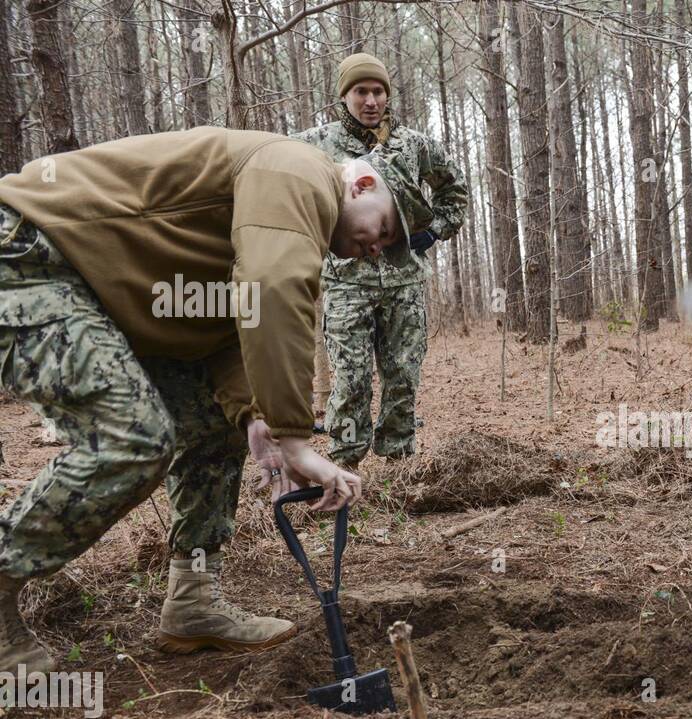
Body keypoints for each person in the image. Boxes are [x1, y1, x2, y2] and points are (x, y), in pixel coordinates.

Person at [0, 125, 438, 675]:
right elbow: (271, 288)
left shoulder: (285, 204)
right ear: (362, 184)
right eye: (386, 230)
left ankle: (192, 598)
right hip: (28, 252)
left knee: (216, 423)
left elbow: (228, 323)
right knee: (134, 441)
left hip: (103, 290)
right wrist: (298, 437)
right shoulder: (297, 170)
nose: (377, 250)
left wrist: (257, 417)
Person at [295, 52, 467, 467]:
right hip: (346, 283)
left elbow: (454, 190)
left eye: (378, 92)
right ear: (344, 96)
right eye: (361, 92)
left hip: (403, 284)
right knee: (351, 380)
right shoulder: (315, 144)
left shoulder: (413, 144)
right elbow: (285, 190)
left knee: (402, 377)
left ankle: (398, 462)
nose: (370, 101)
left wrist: (430, 233)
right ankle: (344, 464)